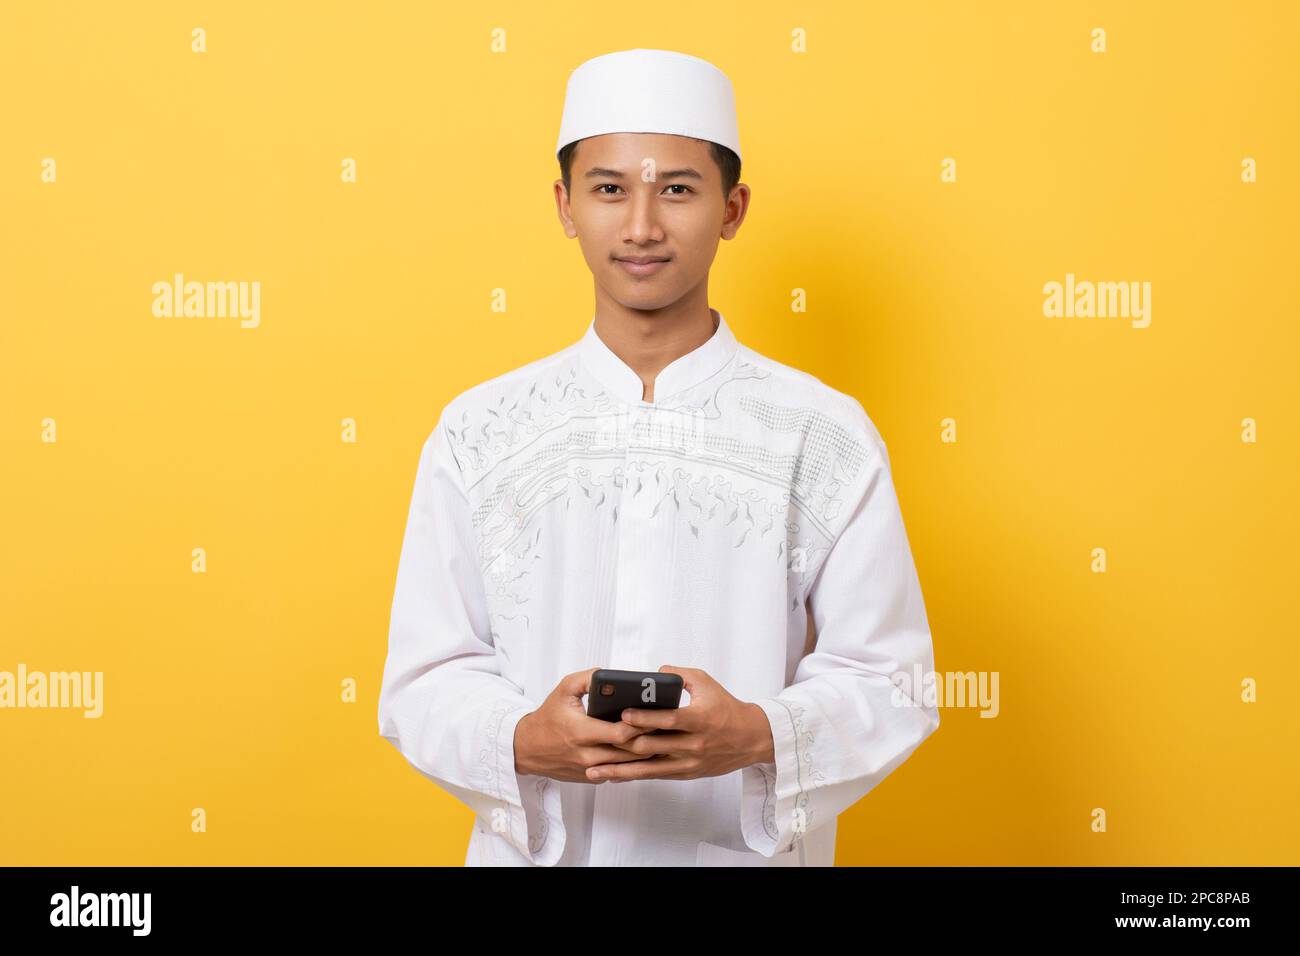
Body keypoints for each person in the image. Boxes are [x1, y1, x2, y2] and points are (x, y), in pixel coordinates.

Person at [377, 48, 939, 866]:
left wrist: (756, 734)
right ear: (566, 206)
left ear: (733, 208)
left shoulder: (821, 434)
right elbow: (424, 679)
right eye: (610, 189)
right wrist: (524, 739)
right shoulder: (481, 431)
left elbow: (894, 683)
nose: (641, 226)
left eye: (677, 188)